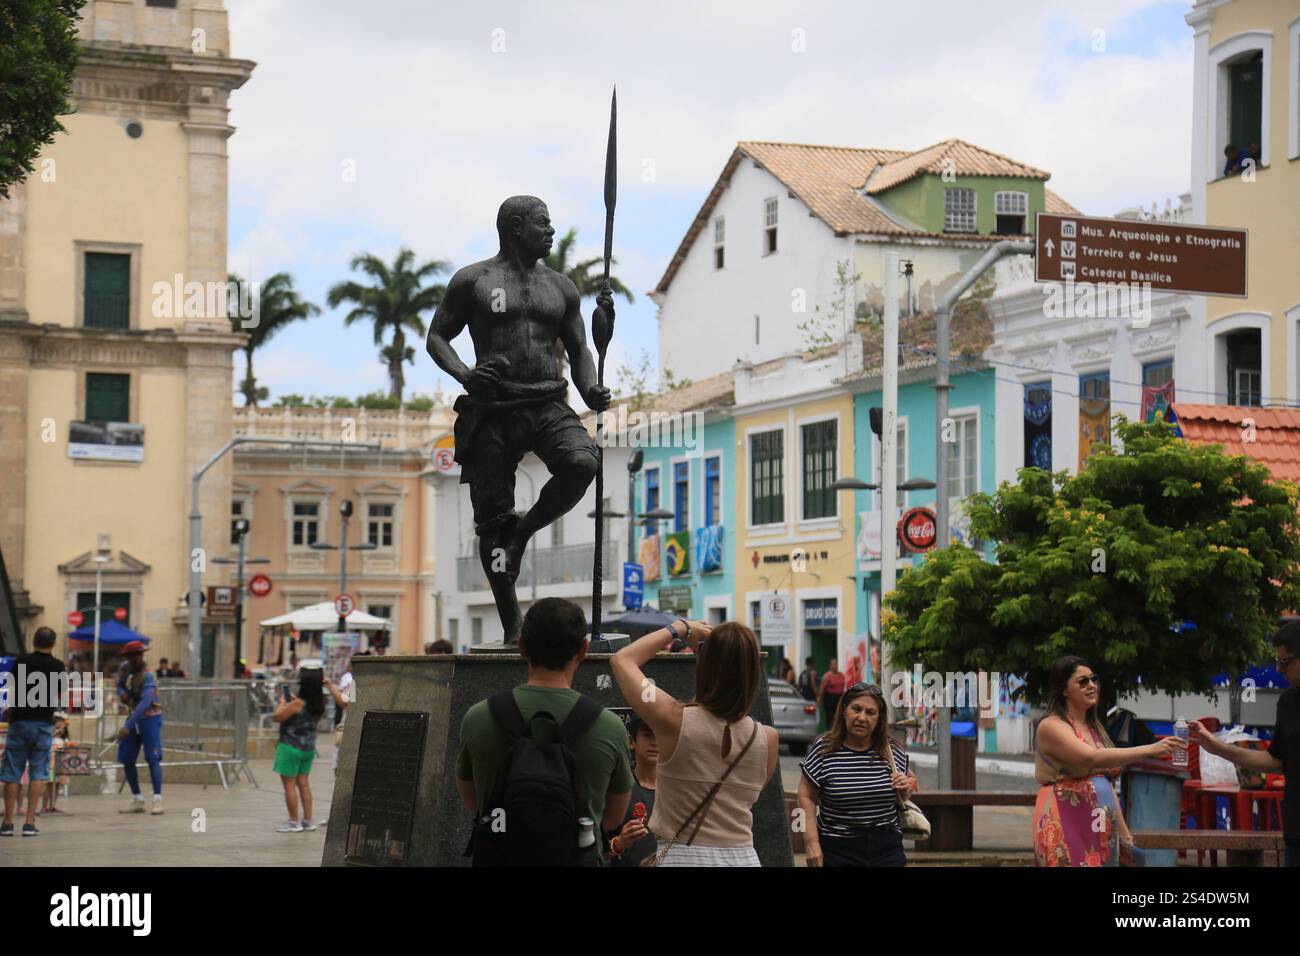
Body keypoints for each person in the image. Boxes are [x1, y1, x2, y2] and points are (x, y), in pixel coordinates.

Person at [426, 195, 613, 643]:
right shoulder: (473, 280)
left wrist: (590, 389)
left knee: (582, 463)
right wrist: (466, 375)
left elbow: (580, 348)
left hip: (548, 401)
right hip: (492, 410)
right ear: (515, 227)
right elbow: (437, 336)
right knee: (492, 520)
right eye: (543, 224)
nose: (551, 231)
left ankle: (523, 533)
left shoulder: (562, 287)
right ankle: (512, 626)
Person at [457, 598, 632, 865]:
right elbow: (612, 819)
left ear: (522, 647)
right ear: (584, 650)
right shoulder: (608, 726)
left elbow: (472, 802)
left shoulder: (479, 717)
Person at [611, 619, 779, 866]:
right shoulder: (767, 738)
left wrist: (680, 628)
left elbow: (622, 660)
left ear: (704, 667)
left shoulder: (673, 720)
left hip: (684, 856)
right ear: (753, 672)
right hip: (744, 857)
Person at [1033, 655, 1185, 866]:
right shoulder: (1051, 726)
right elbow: (1091, 758)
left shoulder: (1094, 727)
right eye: (1082, 681)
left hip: (1098, 823)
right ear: (1064, 690)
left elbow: (1105, 784)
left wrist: (1125, 836)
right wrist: (1150, 749)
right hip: (1064, 820)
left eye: (1094, 679)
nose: (1092, 685)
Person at [1192, 619, 1300, 867]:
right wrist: (1220, 749)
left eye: (1285, 662)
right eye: (1276, 662)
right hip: (1297, 830)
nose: (1279, 670)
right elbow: (1276, 760)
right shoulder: (1288, 702)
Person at [798, 682, 918, 867]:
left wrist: (906, 785)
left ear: (879, 719)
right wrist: (811, 843)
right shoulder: (824, 748)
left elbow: (911, 782)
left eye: (870, 712)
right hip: (838, 849)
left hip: (886, 849)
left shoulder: (890, 750)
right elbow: (805, 796)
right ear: (844, 711)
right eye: (857, 709)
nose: (862, 717)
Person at [1, 627, 65, 837]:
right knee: (38, 773)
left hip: (19, 722)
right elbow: (59, 695)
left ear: (34, 641)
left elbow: (11, 688)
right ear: (53, 644)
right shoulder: (58, 666)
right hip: (42, 724)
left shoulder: (21, 661)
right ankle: (29, 823)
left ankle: (8, 823)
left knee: (12, 773)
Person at [273, 668, 347, 832]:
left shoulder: (297, 704)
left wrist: (282, 703)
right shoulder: (318, 706)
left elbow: (277, 716)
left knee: (289, 786)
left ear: (302, 684)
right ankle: (308, 821)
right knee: (304, 784)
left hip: (290, 748)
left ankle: (294, 822)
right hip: (307, 749)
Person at [116, 641, 165, 815]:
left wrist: (127, 726)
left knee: (153, 758)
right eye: (131, 655)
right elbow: (120, 685)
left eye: (138, 655)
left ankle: (158, 799)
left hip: (150, 718)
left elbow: (145, 702)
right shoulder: (124, 669)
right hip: (133, 717)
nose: (135, 658)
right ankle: (137, 798)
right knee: (127, 758)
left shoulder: (148, 674)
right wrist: (122, 694)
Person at [606, 714, 659, 867]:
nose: (655, 743)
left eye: (660, 735)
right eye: (648, 735)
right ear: (631, 742)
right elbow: (594, 850)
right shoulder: (617, 790)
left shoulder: (678, 793)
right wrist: (620, 843)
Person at [41, 714, 71, 815]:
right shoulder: (49, 738)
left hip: (60, 764)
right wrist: (54, 733)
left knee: (57, 785)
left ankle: (52, 805)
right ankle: (44, 807)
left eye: (62, 728)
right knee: (49, 786)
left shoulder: (64, 740)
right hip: (51, 765)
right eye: (58, 727)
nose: (60, 730)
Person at [817, 658, 845, 730]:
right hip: (830, 698)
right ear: (830, 666)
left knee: (839, 716)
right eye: (834, 664)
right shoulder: (827, 676)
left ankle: (837, 731)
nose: (835, 665)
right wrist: (819, 700)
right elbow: (822, 688)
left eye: (836, 664)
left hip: (839, 698)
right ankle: (830, 732)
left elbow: (843, 687)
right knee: (830, 717)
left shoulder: (841, 675)